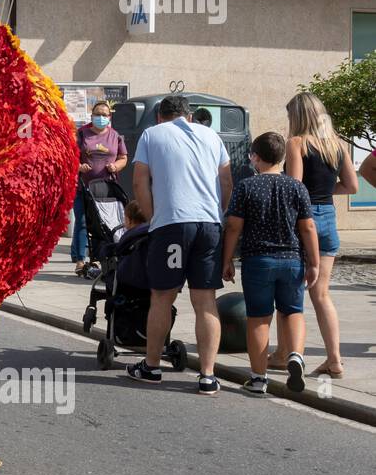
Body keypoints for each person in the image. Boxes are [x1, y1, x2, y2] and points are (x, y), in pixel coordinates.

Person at [125, 95, 231, 395]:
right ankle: (208, 376)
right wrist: (216, 214)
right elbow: (226, 182)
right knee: (205, 300)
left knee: (162, 297)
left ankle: (152, 366)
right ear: (189, 117)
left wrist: (151, 217)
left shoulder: (152, 134)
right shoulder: (212, 136)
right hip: (209, 224)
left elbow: (139, 182)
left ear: (161, 117)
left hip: (172, 223)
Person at [223, 132, 320, 396]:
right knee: (293, 312)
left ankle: (257, 379)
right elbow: (308, 227)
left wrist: (227, 258)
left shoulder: (246, 187)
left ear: (256, 157)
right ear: (281, 158)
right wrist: (314, 262)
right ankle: (296, 355)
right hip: (292, 260)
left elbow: (233, 226)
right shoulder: (297, 187)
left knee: (258, 319)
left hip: (258, 261)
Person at [275, 92, 360, 379]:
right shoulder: (337, 146)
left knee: (289, 289)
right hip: (328, 218)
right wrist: (323, 192)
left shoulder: (296, 143)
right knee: (321, 294)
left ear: (298, 116)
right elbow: (351, 187)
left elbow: (295, 186)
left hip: (303, 220)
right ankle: (334, 359)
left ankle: (282, 352)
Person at [71, 100, 127, 275]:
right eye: (97, 114)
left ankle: (102, 258)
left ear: (109, 117)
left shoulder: (115, 136)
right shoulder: (82, 134)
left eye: (104, 114)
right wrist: (79, 166)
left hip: (106, 190)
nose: (101, 117)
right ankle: (80, 260)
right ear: (92, 116)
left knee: (102, 224)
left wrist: (116, 166)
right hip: (83, 187)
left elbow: (123, 157)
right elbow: (71, 155)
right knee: (81, 222)